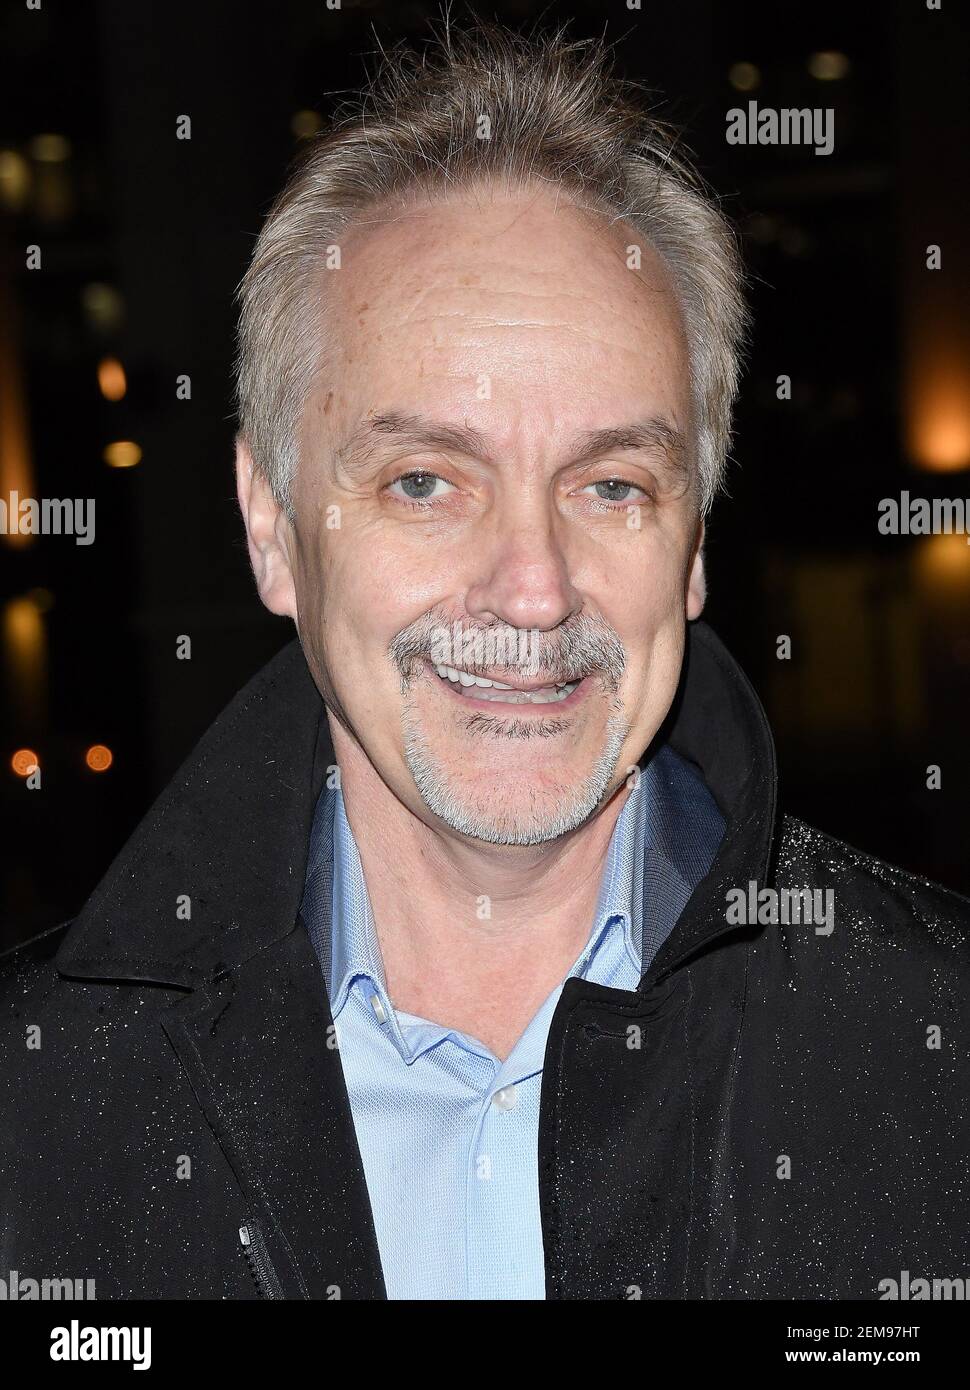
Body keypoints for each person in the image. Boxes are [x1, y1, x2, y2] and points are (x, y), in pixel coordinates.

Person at [2, 21, 968, 1301]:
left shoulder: (933, 1052)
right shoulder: (40, 1113)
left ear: (693, 544)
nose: (532, 586)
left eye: (611, 483)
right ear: (269, 526)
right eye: (424, 480)